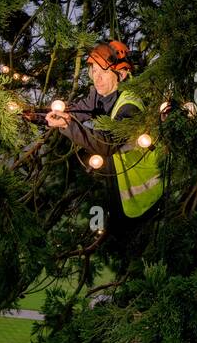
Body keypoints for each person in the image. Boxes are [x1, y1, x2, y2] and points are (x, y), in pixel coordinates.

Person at [45, 41, 163, 238]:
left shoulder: (130, 106)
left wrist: (66, 125)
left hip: (143, 195)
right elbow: (78, 110)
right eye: (93, 71)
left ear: (122, 74)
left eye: (103, 72)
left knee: (139, 243)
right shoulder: (99, 95)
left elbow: (105, 144)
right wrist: (44, 116)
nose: (96, 79)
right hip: (117, 186)